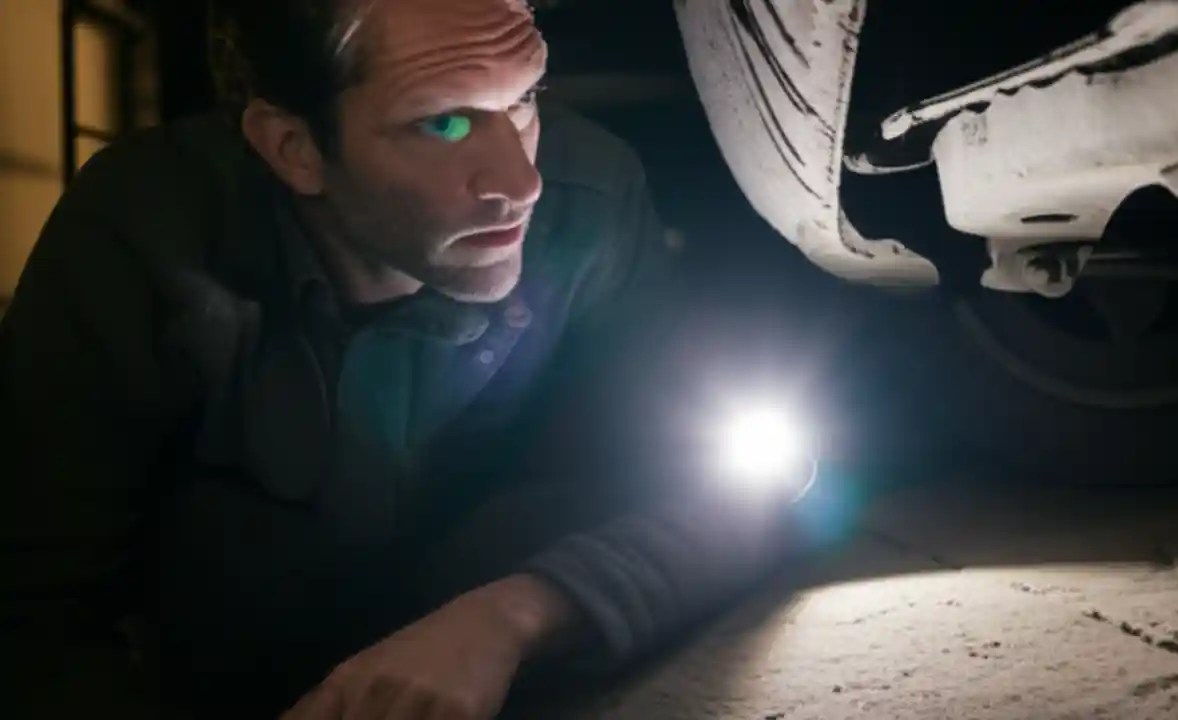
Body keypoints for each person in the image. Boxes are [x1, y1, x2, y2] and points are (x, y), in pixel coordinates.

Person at [1, 0, 807, 717]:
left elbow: (744, 490)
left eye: (524, 99)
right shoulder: (146, 232)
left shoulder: (588, 195)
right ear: (293, 148)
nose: (519, 180)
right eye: (445, 123)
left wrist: (512, 618)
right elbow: (28, 616)